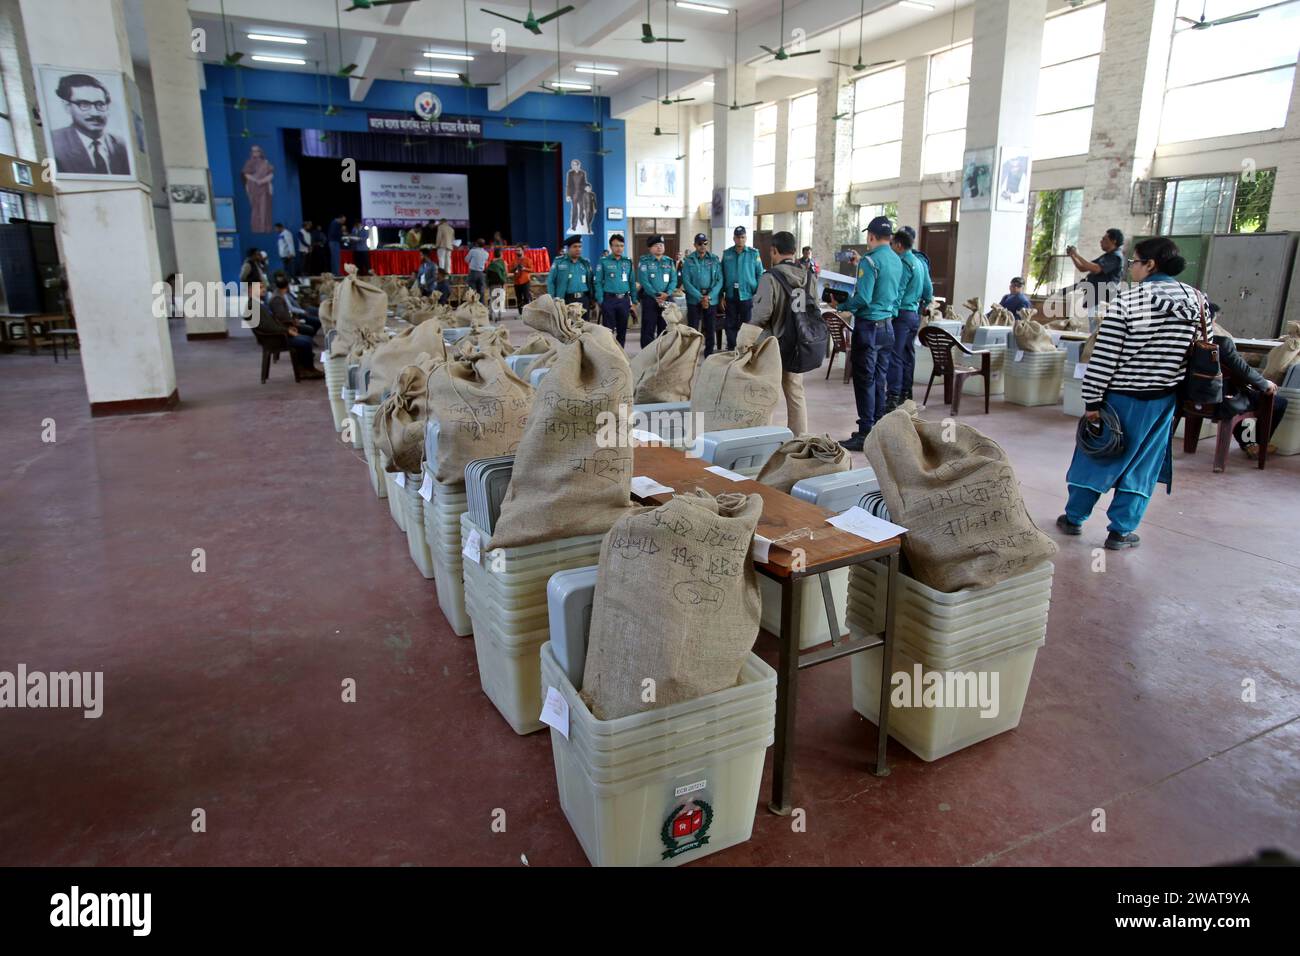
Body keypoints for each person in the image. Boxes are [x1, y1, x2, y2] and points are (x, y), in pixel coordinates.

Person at [1057, 237, 1203, 550]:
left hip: (1119, 399)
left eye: (1134, 262)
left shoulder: (1130, 301)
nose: (1130, 268)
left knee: (1097, 455)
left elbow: (1104, 356)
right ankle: (1121, 531)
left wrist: (1093, 402)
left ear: (1151, 264)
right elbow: (1198, 348)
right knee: (1143, 464)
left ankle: (1074, 518)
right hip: (1162, 401)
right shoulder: (1196, 300)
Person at [840, 215, 903, 452]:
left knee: (864, 380)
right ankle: (876, 426)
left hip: (868, 328)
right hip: (888, 327)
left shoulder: (869, 261)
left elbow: (864, 298)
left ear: (871, 236)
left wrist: (843, 306)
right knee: (879, 378)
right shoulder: (897, 260)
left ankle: (865, 431)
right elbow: (895, 295)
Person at [748, 230, 810, 436]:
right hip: (798, 343)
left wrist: (747, 336)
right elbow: (812, 309)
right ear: (794, 251)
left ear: (774, 251)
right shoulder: (808, 276)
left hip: (772, 346)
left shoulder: (770, 277)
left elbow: (761, 314)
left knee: (767, 393)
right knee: (795, 393)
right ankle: (800, 437)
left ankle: (764, 438)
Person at [1209, 304, 1288, 460]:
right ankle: (1255, 443)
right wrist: (1265, 384)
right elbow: (1244, 371)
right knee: (1277, 401)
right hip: (1222, 399)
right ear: (1212, 320)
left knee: (1241, 396)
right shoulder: (1222, 343)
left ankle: (1249, 443)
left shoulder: (1185, 342)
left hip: (1190, 398)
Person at [886, 228, 932, 410]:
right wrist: (923, 304)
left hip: (902, 315)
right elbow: (928, 290)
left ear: (898, 245)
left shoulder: (904, 263)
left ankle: (894, 396)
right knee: (908, 354)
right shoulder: (920, 262)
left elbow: (899, 292)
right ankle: (907, 392)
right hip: (914, 315)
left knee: (895, 355)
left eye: (892, 245)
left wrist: (891, 314)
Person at [50, 73, 130, 176]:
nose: (94, 113)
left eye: (100, 104)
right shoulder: (55, 144)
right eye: (84, 104)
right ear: (67, 106)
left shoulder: (122, 145)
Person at [262, 275, 324, 380]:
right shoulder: (276, 299)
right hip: (279, 337)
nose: (263, 290)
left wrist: (290, 326)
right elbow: (277, 321)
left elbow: (275, 321)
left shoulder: (272, 299)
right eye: (260, 288)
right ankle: (306, 369)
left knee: (306, 338)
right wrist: (289, 329)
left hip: (282, 331)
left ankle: (308, 367)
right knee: (306, 340)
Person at [1067, 227, 1124, 330]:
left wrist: (1077, 254)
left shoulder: (1115, 256)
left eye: (1104, 239)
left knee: (1099, 328)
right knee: (1094, 328)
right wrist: (1073, 256)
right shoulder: (1106, 256)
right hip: (1095, 296)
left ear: (1113, 241)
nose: (1101, 241)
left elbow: (1096, 269)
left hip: (1104, 298)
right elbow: (1083, 268)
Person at [721, 226, 765, 351]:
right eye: (738, 237)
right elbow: (722, 275)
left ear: (745, 238)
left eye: (742, 237)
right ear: (734, 238)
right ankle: (731, 349)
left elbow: (760, 274)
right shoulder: (727, 254)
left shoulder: (753, 254)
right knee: (730, 324)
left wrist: (757, 292)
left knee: (746, 324)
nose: (740, 240)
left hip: (747, 294)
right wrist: (721, 296)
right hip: (730, 294)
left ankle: (745, 350)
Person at [681, 233, 723, 357]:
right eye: (699, 244)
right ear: (695, 245)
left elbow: (720, 280)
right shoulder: (689, 261)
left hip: (711, 299)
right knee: (693, 328)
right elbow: (686, 282)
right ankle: (691, 354)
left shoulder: (714, 259)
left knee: (710, 328)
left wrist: (709, 296)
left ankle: (709, 353)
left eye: (705, 243)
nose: (703, 246)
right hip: (694, 299)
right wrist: (700, 297)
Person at [637, 235, 677, 348]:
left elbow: (674, 280)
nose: (659, 247)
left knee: (665, 327)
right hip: (650, 299)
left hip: (666, 299)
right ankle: (647, 354)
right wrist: (656, 295)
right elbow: (644, 281)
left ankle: (662, 352)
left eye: (661, 245)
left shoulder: (669, 262)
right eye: (656, 245)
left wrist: (667, 293)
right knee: (648, 328)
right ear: (650, 248)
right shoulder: (645, 261)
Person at [594, 234, 634, 346]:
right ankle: (610, 355)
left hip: (624, 300)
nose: (619, 248)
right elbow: (597, 282)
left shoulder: (627, 262)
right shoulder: (604, 261)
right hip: (609, 300)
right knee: (608, 331)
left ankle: (621, 354)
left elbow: (631, 282)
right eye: (616, 245)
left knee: (622, 331)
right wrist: (601, 300)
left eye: (621, 245)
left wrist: (634, 300)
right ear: (611, 247)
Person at [547, 235, 594, 318]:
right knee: (569, 327)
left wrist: (593, 298)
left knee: (584, 327)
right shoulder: (559, 262)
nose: (578, 249)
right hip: (566, 299)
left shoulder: (585, 263)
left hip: (584, 299)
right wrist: (553, 298)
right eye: (575, 247)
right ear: (568, 248)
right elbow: (550, 281)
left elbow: (591, 281)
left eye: (580, 246)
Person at [274, 270, 320, 337]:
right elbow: (290, 308)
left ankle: (309, 335)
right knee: (316, 321)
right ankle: (309, 335)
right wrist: (302, 311)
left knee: (317, 311)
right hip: (297, 313)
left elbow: (296, 297)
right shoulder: (281, 295)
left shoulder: (288, 289)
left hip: (301, 307)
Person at [241, 145, 275, 234]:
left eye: (257, 151)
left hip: (264, 188)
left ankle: (265, 229)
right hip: (253, 188)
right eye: (253, 151)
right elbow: (246, 174)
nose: (255, 153)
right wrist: (256, 180)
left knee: (265, 209)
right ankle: (257, 229)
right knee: (256, 210)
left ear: (261, 152)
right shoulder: (249, 162)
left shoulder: (266, 162)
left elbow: (271, 174)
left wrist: (263, 181)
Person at [485, 247, 508, 319]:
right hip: (500, 283)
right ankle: (499, 315)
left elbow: (487, 273)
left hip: (492, 283)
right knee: (500, 298)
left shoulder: (491, 262)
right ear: (501, 254)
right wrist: (505, 282)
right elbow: (505, 273)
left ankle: (491, 314)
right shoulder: (503, 262)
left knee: (492, 298)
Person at [512, 247, 533, 311]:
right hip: (516, 282)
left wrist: (524, 268)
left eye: (519, 250)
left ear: (522, 251)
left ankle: (527, 312)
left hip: (525, 282)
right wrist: (514, 269)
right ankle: (520, 313)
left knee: (526, 298)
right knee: (519, 298)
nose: (517, 251)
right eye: (516, 250)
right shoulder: (514, 261)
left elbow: (532, 269)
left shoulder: (528, 260)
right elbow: (510, 270)